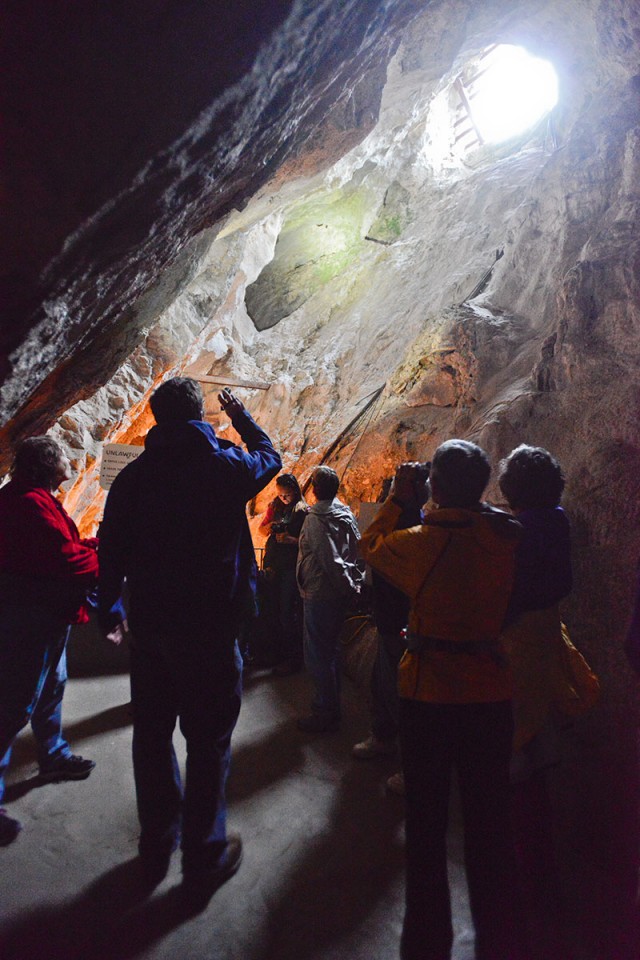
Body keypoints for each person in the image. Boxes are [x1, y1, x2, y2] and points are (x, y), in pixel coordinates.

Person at [98, 377, 281, 896]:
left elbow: (110, 548)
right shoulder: (224, 467)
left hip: (152, 629)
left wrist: (109, 607)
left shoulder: (133, 479)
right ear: (199, 413)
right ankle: (203, 854)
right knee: (208, 741)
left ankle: (157, 840)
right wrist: (241, 417)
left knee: (152, 736)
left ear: (156, 418)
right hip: (211, 629)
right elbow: (271, 456)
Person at [361, 440, 524, 960]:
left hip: (428, 691)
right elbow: (487, 517)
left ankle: (427, 939)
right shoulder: (506, 537)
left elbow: (370, 545)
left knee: (427, 824)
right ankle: (499, 937)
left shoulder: (418, 542)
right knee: (488, 822)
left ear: (433, 487)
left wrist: (395, 495)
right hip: (490, 693)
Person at [0, 437, 98, 846]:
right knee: (12, 704)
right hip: (30, 618)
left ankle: (53, 755)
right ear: (46, 465)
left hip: (44, 616)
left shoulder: (32, 497)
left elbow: (62, 548)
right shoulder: (27, 503)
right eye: (62, 458)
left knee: (50, 688)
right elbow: (63, 561)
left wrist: (90, 546)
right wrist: (106, 553)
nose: (68, 464)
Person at [498, 444, 573, 960]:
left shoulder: (521, 534)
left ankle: (523, 888)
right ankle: (542, 876)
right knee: (535, 770)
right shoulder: (558, 521)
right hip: (545, 649)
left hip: (514, 658)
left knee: (514, 772)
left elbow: (506, 596)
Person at [352, 478, 424, 797]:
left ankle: (413, 766)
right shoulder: (405, 525)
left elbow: (367, 546)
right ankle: (383, 738)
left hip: (401, 623)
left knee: (401, 696)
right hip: (389, 620)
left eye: (392, 493)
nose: (386, 498)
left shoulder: (411, 531)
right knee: (382, 687)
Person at [296, 465, 363, 733]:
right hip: (337, 593)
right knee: (331, 651)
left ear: (315, 489)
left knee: (317, 655)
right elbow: (356, 549)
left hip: (320, 593)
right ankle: (332, 706)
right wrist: (354, 585)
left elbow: (327, 559)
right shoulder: (345, 513)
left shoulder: (315, 520)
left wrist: (345, 585)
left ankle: (324, 710)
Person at [259, 473, 308, 675]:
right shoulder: (274, 506)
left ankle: (292, 658)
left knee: (287, 613)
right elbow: (262, 530)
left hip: (289, 567)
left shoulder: (302, 511)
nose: (283, 499)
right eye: (280, 495)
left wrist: (290, 539)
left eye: (286, 495)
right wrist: (269, 527)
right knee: (271, 610)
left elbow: (307, 542)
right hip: (273, 565)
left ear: (295, 491)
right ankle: (274, 653)